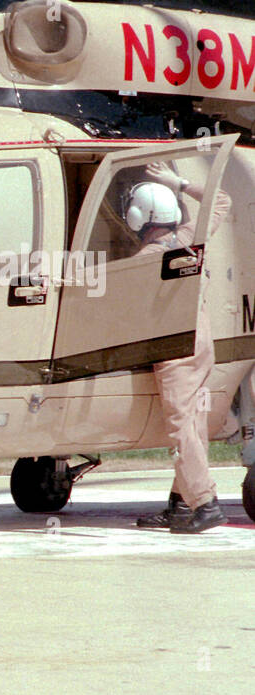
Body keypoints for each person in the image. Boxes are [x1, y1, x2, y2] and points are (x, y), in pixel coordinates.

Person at [130, 162, 232, 534]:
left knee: (181, 428)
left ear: (138, 217)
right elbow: (221, 200)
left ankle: (205, 504)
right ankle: (181, 503)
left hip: (174, 350)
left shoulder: (141, 263)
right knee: (194, 422)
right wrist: (179, 183)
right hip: (202, 343)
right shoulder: (191, 237)